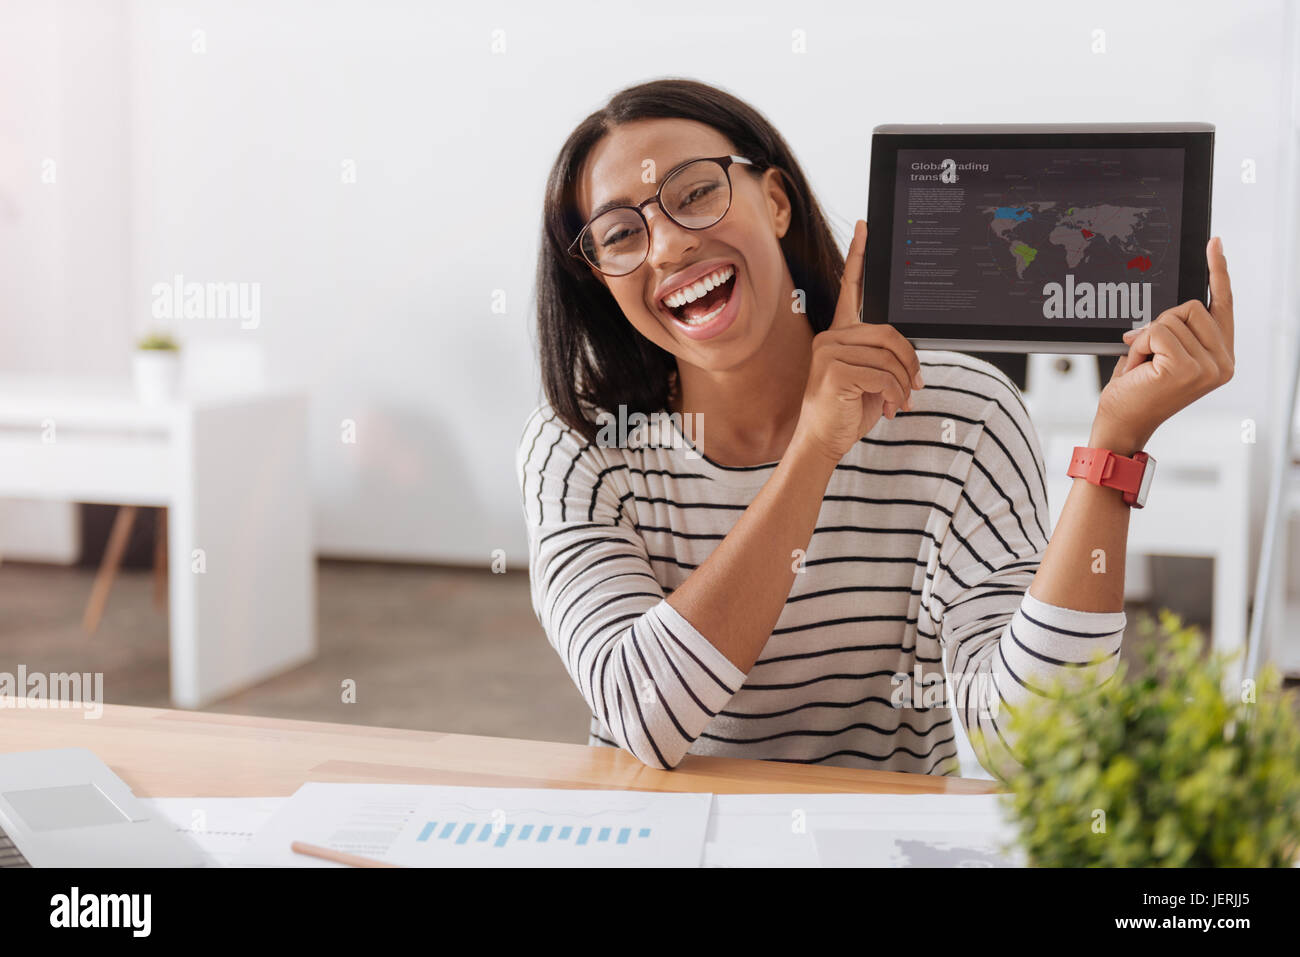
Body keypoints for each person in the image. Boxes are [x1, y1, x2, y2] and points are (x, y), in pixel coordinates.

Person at [517, 78, 1236, 776]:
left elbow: (1035, 742)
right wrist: (814, 449)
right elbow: (645, 715)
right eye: (620, 234)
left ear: (774, 201)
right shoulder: (579, 445)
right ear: (602, 278)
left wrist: (1114, 447)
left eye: (697, 192)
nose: (669, 246)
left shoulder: (964, 415)